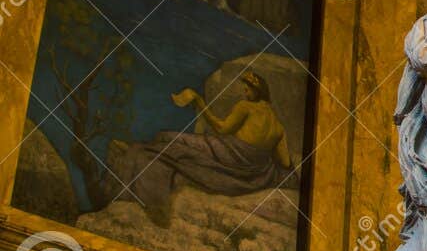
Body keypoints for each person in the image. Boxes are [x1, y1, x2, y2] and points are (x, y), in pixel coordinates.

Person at [108, 69, 292, 226]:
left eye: (247, 87)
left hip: (227, 152)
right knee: (177, 142)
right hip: (250, 168)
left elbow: (222, 128)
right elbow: (285, 162)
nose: (244, 91)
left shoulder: (246, 107)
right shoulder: (280, 128)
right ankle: (139, 148)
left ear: (257, 90)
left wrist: (199, 101)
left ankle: (136, 150)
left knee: (170, 138)